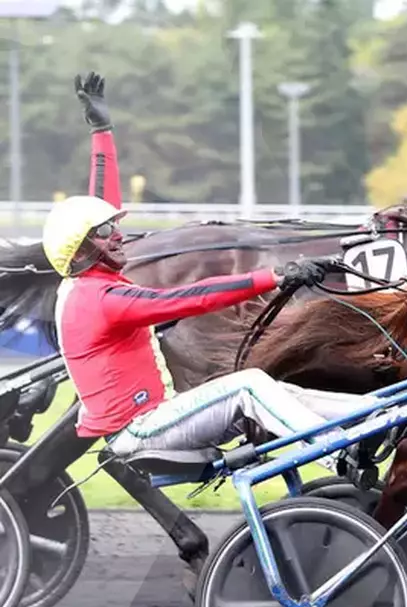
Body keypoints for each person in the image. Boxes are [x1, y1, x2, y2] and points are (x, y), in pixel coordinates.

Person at [42, 72, 368, 472]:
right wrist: (273, 277)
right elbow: (191, 299)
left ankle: (378, 413)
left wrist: (102, 130)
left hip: (158, 417)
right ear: (81, 253)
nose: (118, 235)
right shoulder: (100, 300)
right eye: (106, 233)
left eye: (113, 227)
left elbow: (100, 205)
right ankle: (337, 455)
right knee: (248, 385)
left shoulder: (89, 279)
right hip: (139, 432)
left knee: (275, 391)